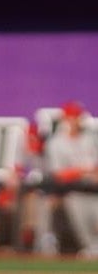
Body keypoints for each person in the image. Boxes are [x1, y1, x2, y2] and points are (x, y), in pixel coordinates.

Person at [44, 101, 98, 258]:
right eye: (70, 117)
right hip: (74, 192)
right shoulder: (56, 143)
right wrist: (83, 170)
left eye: (76, 117)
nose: (73, 121)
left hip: (95, 191)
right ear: (64, 120)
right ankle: (91, 252)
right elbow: (59, 174)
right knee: (84, 231)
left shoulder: (90, 138)